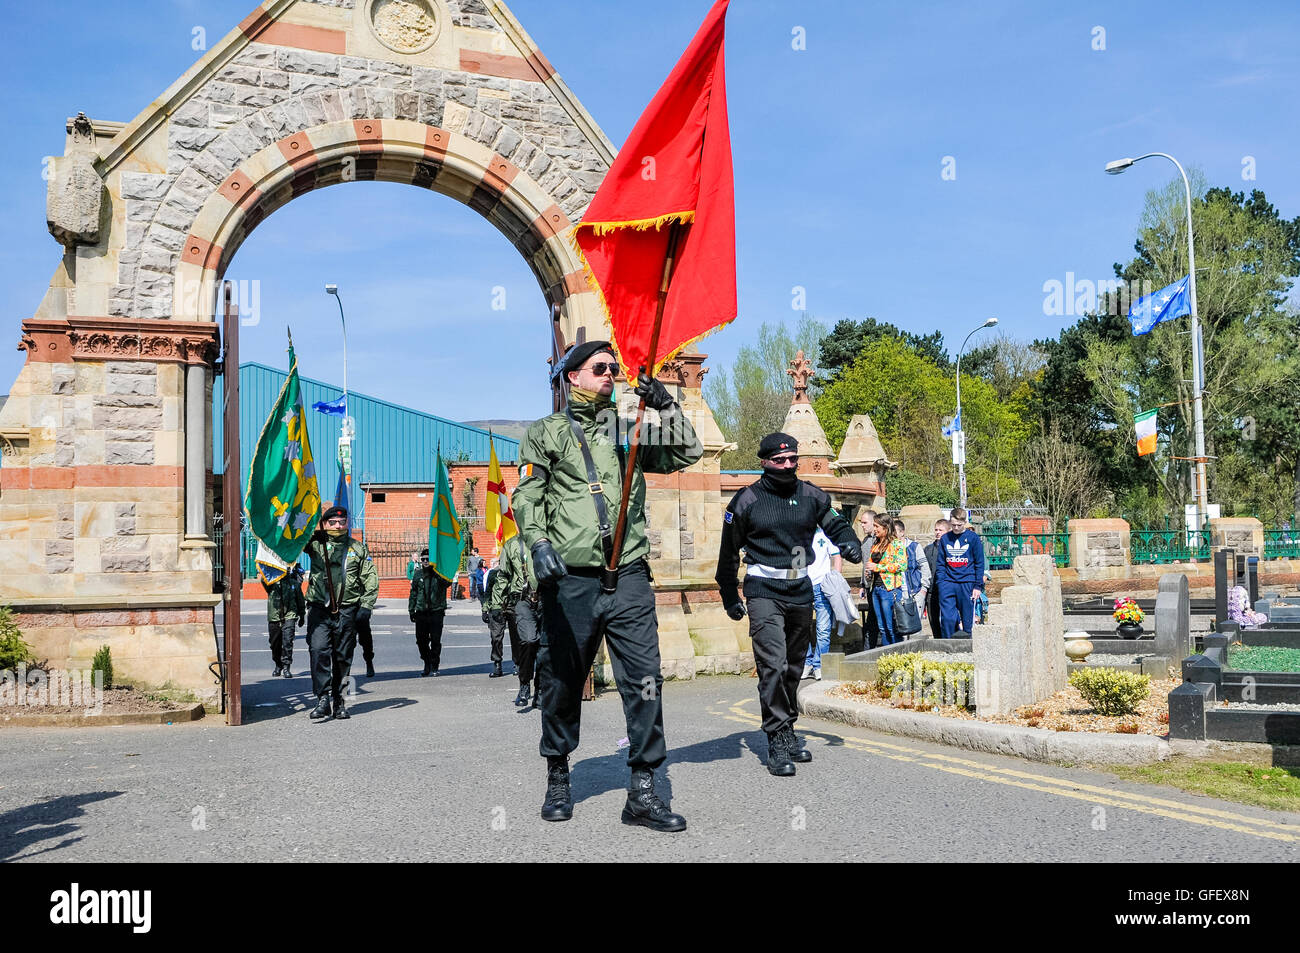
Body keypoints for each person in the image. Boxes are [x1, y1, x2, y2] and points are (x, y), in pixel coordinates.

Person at [513, 340, 701, 831]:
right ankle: (558, 772)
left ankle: (643, 789)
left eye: (613, 369)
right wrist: (536, 543)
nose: (610, 375)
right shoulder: (546, 434)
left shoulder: (628, 430)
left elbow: (688, 452)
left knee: (645, 680)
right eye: (600, 368)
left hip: (630, 575)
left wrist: (668, 406)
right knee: (562, 681)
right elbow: (527, 494)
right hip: (570, 581)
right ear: (572, 376)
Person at [716, 433, 862, 777]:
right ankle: (776, 739)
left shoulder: (810, 494)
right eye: (779, 461)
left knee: (794, 667)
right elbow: (727, 555)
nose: (787, 465)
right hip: (763, 589)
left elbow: (835, 524)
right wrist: (728, 596)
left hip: (800, 587)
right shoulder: (746, 500)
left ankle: (788, 727)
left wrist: (850, 542)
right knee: (773, 666)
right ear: (764, 462)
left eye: (792, 459)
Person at [302, 506, 379, 720]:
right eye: (333, 522)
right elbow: (292, 540)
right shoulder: (316, 545)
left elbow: (370, 577)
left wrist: (366, 605)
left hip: (347, 610)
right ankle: (323, 699)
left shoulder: (357, 548)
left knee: (343, 658)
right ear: (324, 524)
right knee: (318, 651)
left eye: (342, 522)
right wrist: (311, 531)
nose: (338, 526)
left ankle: (340, 702)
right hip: (319, 610)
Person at [489, 531, 543, 706]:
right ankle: (525, 684)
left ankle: (541, 690)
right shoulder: (511, 545)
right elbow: (503, 575)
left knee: (545, 647)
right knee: (528, 640)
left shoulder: (551, 538)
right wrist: (497, 604)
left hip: (548, 599)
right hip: (522, 600)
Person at [935, 507, 986, 638]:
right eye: (953, 525)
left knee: (968, 619)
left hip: (967, 583)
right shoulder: (945, 539)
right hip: (948, 583)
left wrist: (977, 586)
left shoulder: (973, 538)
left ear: (965, 522)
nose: (956, 528)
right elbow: (940, 563)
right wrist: (941, 583)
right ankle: (949, 644)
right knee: (948, 619)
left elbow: (979, 563)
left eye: (959, 525)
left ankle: (968, 644)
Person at [801, 527, 841, 681]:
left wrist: (836, 579)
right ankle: (806, 662)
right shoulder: (797, 528)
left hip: (822, 585)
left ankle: (819, 664)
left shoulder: (826, 532)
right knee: (801, 628)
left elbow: (837, 556)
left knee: (823, 629)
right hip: (801, 584)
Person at [864, 518, 909, 646]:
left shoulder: (896, 544)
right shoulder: (876, 544)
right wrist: (870, 572)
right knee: (882, 628)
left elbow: (902, 565)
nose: (875, 529)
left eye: (877, 526)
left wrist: (877, 568)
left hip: (890, 590)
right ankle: (886, 655)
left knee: (891, 626)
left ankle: (897, 654)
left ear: (885, 527)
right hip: (876, 589)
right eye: (874, 525)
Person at [408, 547, 451, 677]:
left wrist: (438, 570)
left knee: (436, 640)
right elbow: (413, 593)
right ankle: (426, 662)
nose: (425, 562)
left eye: (428, 559)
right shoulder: (418, 574)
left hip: (436, 611)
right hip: (421, 611)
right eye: (423, 560)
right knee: (421, 640)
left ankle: (434, 665)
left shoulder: (439, 574)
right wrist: (411, 610)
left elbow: (447, 582)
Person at [264, 565, 305, 678]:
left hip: (290, 616)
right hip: (275, 616)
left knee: (287, 642)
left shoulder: (294, 583)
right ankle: (278, 664)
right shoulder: (272, 583)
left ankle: (286, 666)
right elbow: (264, 579)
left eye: (287, 569)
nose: (286, 570)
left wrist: (302, 615)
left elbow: (300, 600)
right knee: (274, 643)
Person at [894, 518, 931, 640]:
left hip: (915, 590)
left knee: (915, 626)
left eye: (895, 533)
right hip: (899, 592)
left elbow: (924, 567)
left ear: (902, 532)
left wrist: (923, 589)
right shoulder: (891, 548)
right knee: (902, 625)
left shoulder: (914, 547)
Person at [855, 509, 880, 649]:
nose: (862, 525)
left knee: (875, 620)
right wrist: (862, 585)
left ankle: (871, 648)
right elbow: (865, 565)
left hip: (878, 585)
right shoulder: (865, 541)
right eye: (861, 522)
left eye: (865, 522)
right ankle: (868, 648)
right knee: (871, 620)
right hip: (869, 586)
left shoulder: (879, 540)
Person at [921, 519, 950, 638]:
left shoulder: (950, 548)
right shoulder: (928, 549)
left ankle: (948, 639)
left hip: (947, 590)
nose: (937, 532)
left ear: (948, 531)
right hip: (932, 591)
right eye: (936, 530)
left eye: (940, 530)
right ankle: (937, 639)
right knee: (933, 619)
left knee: (948, 618)